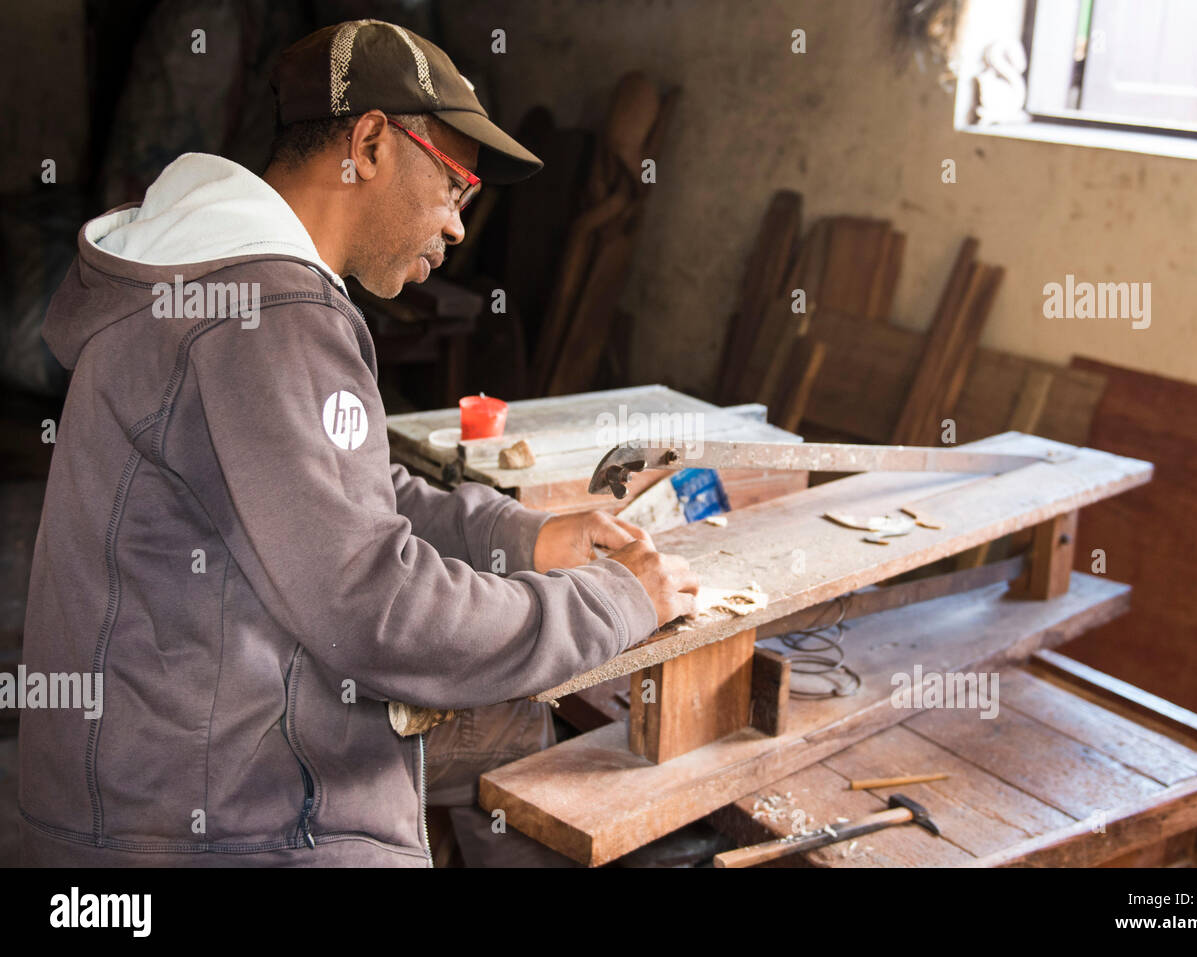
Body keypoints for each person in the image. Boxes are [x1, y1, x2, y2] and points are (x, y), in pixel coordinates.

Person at [19, 18, 698, 867]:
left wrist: (518, 537)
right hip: (199, 817)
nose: (456, 226)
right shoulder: (267, 315)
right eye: (456, 185)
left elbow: (349, 487)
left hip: (140, 772)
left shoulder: (208, 273)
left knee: (518, 725)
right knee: (562, 749)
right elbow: (378, 610)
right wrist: (616, 601)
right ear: (371, 142)